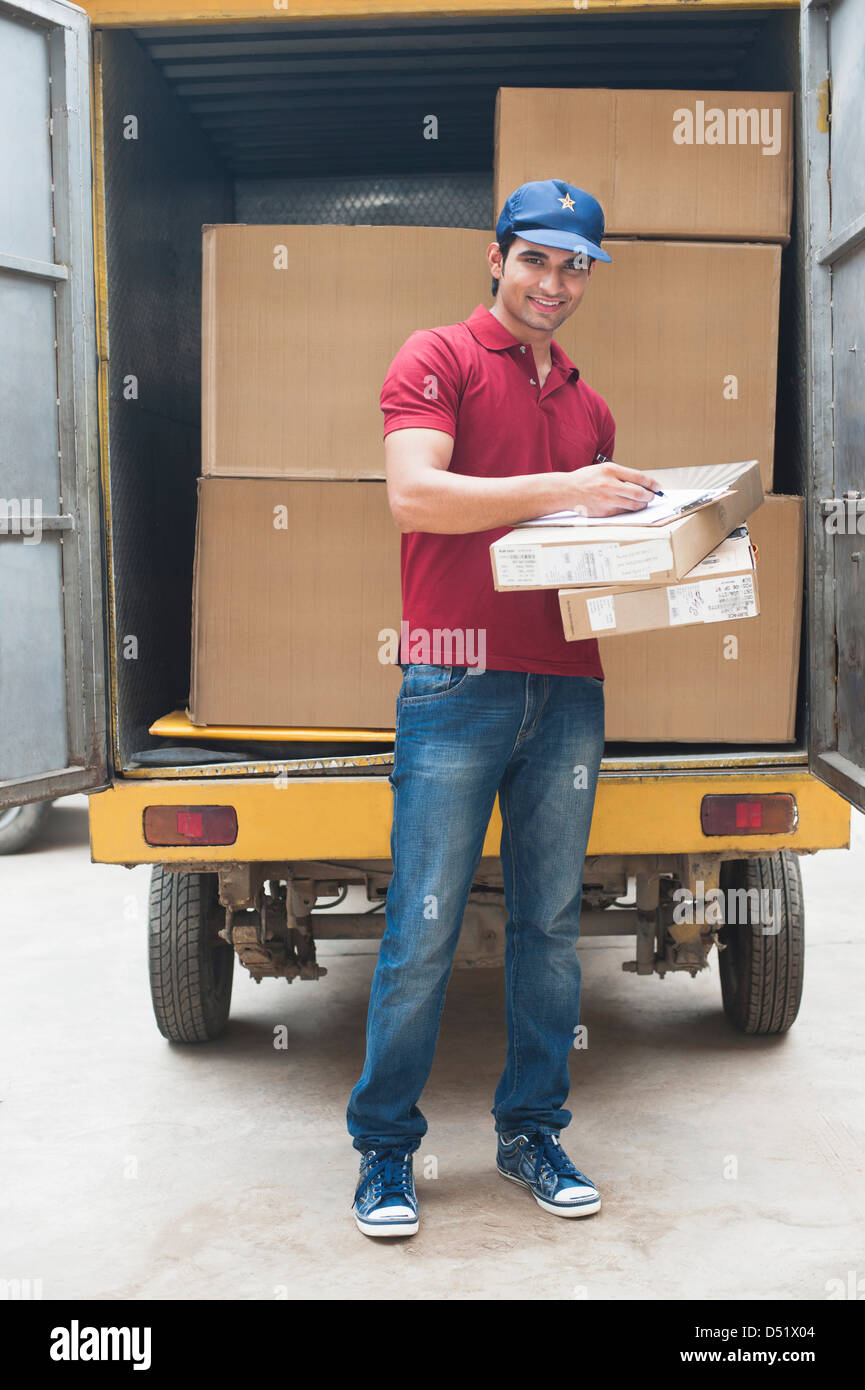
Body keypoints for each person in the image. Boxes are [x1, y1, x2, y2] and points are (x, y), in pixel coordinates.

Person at [346, 178, 661, 1237]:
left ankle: (531, 1129)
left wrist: (665, 538)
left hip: (566, 687)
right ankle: (386, 1149)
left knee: (550, 928)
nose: (555, 283)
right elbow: (414, 496)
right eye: (537, 259)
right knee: (424, 926)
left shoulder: (587, 400)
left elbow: (579, 550)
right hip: (454, 678)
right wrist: (571, 487)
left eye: (577, 266)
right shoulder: (432, 356)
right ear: (495, 256)